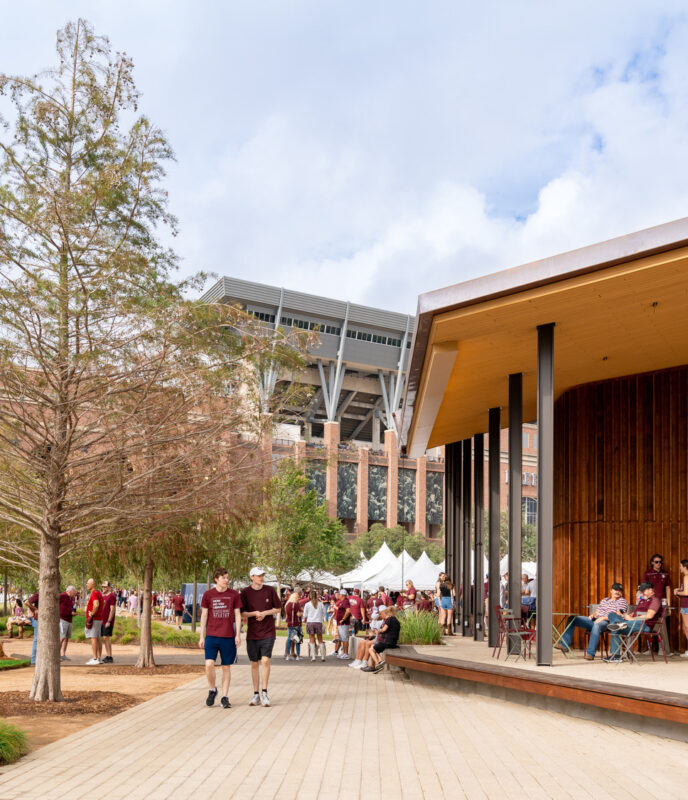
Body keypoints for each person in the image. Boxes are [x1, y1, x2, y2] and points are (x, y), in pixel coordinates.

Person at [199, 567, 242, 709]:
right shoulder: (208, 595)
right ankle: (212, 689)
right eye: (224, 578)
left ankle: (224, 696)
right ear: (216, 579)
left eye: (227, 578)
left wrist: (238, 635)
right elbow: (204, 615)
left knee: (226, 667)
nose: (226, 580)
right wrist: (201, 636)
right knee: (209, 664)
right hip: (211, 635)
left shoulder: (234, 594)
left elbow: (237, 615)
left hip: (228, 636)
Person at [240, 567, 281, 707]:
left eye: (262, 575)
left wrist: (265, 613)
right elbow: (242, 613)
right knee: (254, 663)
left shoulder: (270, 590)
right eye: (258, 576)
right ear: (251, 577)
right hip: (252, 633)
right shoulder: (245, 592)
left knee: (265, 661)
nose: (261, 578)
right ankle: (256, 694)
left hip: (268, 632)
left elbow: (278, 608)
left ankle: (264, 692)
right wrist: (255, 613)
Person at [555, 583, 627, 660]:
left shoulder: (622, 601)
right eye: (616, 590)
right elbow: (598, 611)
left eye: (620, 591)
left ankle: (590, 653)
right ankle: (565, 645)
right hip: (596, 620)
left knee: (597, 625)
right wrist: (593, 615)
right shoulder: (604, 600)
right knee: (573, 619)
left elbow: (618, 615)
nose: (618, 592)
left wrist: (602, 618)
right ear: (611, 591)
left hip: (607, 622)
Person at [604, 582, 661, 662]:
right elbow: (634, 614)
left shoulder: (655, 600)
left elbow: (649, 615)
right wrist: (627, 616)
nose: (641, 592)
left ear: (650, 590)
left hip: (644, 625)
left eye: (643, 590)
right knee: (612, 614)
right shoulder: (642, 600)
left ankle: (615, 656)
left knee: (616, 628)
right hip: (632, 623)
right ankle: (618, 624)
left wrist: (631, 619)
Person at [642, 554, 673, 655]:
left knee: (662, 624)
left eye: (660, 562)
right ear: (652, 563)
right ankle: (650, 648)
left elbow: (668, 588)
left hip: (663, 602)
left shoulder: (666, 573)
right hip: (651, 602)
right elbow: (643, 588)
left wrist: (669, 603)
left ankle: (661, 649)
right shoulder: (647, 573)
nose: (659, 564)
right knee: (650, 622)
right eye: (656, 562)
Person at [361, 608, 400, 673]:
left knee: (371, 650)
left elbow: (384, 629)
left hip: (387, 642)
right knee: (373, 646)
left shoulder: (389, 619)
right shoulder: (396, 620)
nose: (382, 615)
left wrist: (378, 631)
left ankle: (378, 664)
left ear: (387, 613)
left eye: (382, 614)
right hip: (393, 642)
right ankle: (380, 661)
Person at [302, 589, 326, 661]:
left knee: (311, 639)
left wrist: (303, 620)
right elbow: (324, 613)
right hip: (318, 622)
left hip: (310, 622)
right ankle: (322, 657)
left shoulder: (307, 604)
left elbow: (305, 615)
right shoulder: (321, 604)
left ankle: (313, 656)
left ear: (309, 596)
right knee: (320, 639)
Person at [85, 578, 103, 665]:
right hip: (99, 618)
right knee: (98, 638)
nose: (87, 584)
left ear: (93, 584)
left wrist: (92, 613)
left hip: (95, 619)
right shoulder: (99, 593)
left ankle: (95, 658)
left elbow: (96, 604)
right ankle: (99, 658)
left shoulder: (94, 593)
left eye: (88, 583)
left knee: (93, 638)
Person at [284, 588, 303, 661]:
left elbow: (287, 615)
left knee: (289, 639)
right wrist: (302, 613)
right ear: (295, 597)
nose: (299, 598)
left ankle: (288, 655)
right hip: (296, 624)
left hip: (290, 624)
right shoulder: (297, 604)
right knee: (297, 640)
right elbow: (298, 614)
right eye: (298, 597)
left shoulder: (287, 604)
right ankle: (298, 655)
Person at [59, 585, 77, 661]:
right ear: (69, 591)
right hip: (63, 619)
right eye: (74, 592)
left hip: (69, 620)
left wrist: (72, 612)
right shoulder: (62, 596)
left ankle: (63, 654)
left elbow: (71, 607)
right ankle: (56, 654)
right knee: (62, 637)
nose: (75, 594)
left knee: (66, 638)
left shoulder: (72, 598)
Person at [674, 559, 688, 657]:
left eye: (680, 566)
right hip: (685, 605)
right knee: (685, 628)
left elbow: (686, 593)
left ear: (684, 566)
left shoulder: (686, 576)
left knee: (687, 628)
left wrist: (677, 592)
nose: (679, 568)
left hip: (686, 605)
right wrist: (679, 589)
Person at [101, 581, 117, 663]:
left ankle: (110, 656)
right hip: (102, 620)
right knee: (104, 638)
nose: (103, 588)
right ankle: (107, 655)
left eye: (105, 587)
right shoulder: (103, 596)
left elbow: (112, 610)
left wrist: (109, 621)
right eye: (103, 587)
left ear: (109, 587)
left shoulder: (112, 596)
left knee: (106, 638)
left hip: (107, 621)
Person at [333, 589, 351, 659]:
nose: (338, 595)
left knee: (345, 638)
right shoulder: (342, 601)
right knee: (342, 638)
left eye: (339, 594)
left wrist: (343, 619)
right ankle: (344, 652)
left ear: (342, 595)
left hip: (343, 623)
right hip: (340, 623)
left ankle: (346, 653)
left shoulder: (345, 601)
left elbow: (348, 611)